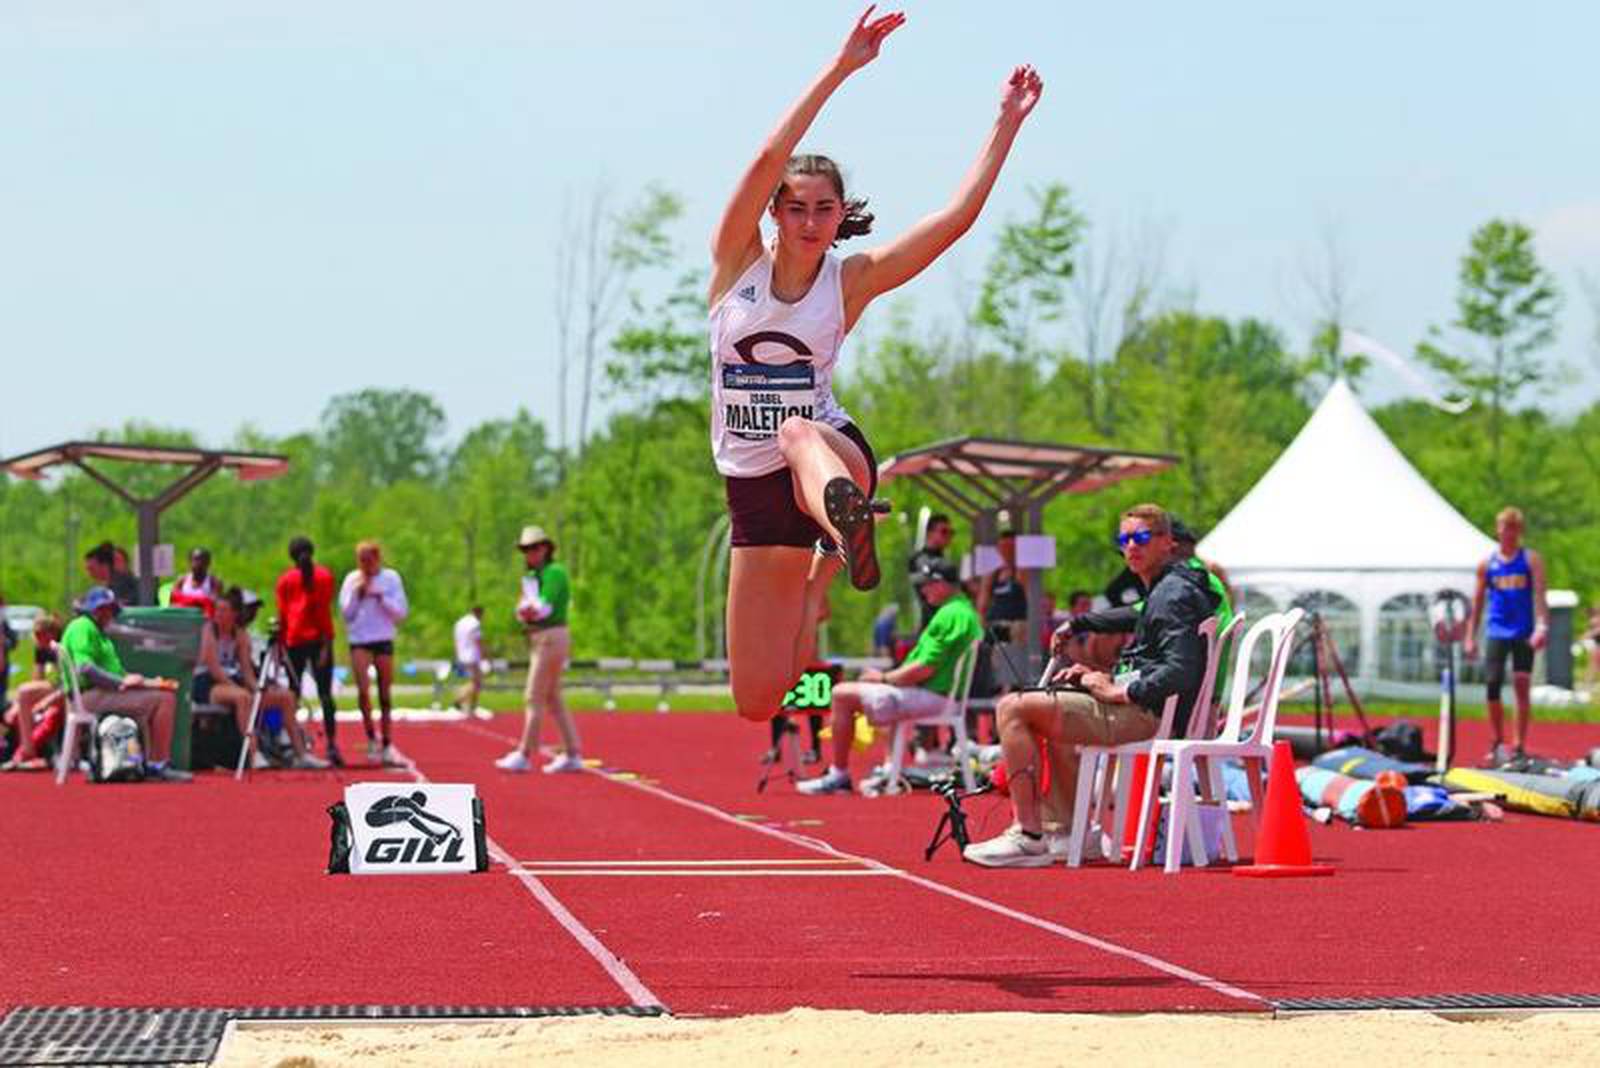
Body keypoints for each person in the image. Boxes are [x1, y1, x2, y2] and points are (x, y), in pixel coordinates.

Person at [710, 7, 1042, 723]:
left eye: (822, 210)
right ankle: (821, 616)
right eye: (795, 208)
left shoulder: (848, 281)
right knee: (756, 699)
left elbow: (951, 223)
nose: (808, 222)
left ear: (839, 216)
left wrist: (1005, 125)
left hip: (832, 454)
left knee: (797, 429)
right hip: (754, 485)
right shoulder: (735, 265)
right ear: (774, 213)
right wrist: (843, 66)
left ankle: (845, 524)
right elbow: (769, 154)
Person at [963, 504, 1213, 866]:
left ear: (1167, 543)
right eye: (1124, 539)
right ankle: (1067, 832)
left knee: (1012, 707)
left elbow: (1181, 669)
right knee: (1050, 704)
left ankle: (1029, 835)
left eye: (1141, 537)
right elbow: (1137, 618)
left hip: (1146, 715)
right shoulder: (1168, 588)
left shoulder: (1172, 595)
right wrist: (1085, 639)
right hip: (1146, 708)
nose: (1131, 547)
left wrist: (1119, 690)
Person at [798, 558, 983, 795]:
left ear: (943, 584)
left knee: (841, 694)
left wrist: (884, 679)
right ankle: (888, 768)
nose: (923, 590)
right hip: (939, 696)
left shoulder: (951, 615)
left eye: (927, 584)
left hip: (934, 697)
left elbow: (924, 669)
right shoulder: (961, 611)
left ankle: (839, 775)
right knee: (875, 691)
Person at [58, 587, 189, 781]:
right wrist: (123, 682)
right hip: (90, 696)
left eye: (110, 609)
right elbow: (85, 669)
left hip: (101, 693)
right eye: (103, 608)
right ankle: (158, 765)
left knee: (162, 693)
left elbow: (120, 677)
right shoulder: (82, 626)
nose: (108, 613)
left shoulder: (99, 633)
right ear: (92, 609)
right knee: (165, 700)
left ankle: (145, 763)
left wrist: (149, 683)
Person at [195, 587, 326, 769]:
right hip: (209, 684)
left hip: (236, 682)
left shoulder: (240, 635)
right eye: (217, 610)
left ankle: (300, 754)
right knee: (244, 698)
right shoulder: (209, 631)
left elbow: (247, 671)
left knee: (286, 697)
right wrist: (240, 688)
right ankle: (254, 753)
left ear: (234, 613)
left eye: (224, 611)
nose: (219, 615)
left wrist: (258, 688)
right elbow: (214, 669)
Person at [496, 526, 583, 774]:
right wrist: (525, 611)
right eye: (525, 549)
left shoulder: (554, 572)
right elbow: (521, 608)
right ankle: (572, 752)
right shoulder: (533, 576)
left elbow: (543, 607)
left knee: (533, 696)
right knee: (553, 698)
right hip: (542, 637)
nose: (529, 553)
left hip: (550, 636)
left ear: (545, 548)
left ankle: (524, 753)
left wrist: (529, 611)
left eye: (534, 548)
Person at [1465, 506, 1549, 764]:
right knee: (1492, 685)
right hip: (1496, 630)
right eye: (1503, 527)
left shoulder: (1530, 560)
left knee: (1522, 686)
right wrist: (1470, 636)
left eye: (1512, 528)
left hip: (1523, 631)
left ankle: (1519, 744)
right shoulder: (1487, 565)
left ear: (1519, 530)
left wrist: (1542, 625)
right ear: (1497, 530)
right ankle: (1497, 741)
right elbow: (1477, 603)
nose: (1507, 533)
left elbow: (1539, 594)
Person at [339, 540, 409, 766]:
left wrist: (381, 597)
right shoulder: (352, 580)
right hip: (360, 641)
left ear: (377, 559)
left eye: (369, 560)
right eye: (361, 560)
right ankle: (371, 737)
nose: (365, 565)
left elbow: (400, 612)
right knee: (363, 692)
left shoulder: (391, 579)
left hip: (383, 639)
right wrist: (358, 595)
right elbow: (346, 614)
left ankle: (387, 742)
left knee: (385, 694)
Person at [276, 536, 343, 765]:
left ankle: (290, 743)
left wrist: (281, 645)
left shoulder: (285, 580)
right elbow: (323, 612)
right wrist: (326, 645)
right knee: (325, 695)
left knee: (293, 694)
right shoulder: (324, 576)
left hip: (294, 640)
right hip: (318, 640)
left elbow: (283, 615)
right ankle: (332, 745)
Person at [1, 614, 65, 771]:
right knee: (18, 704)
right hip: (53, 689)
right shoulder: (41, 648)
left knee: (31, 700)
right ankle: (24, 752)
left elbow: (68, 683)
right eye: (34, 635)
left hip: (67, 693)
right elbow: (36, 680)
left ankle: (26, 753)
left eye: (39, 635)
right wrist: (17, 705)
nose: (36, 639)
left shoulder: (61, 647)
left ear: (51, 633)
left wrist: (46, 702)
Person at [977, 529, 1029, 690]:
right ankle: (996, 688)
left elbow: (1029, 594)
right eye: (1003, 547)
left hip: (1016, 624)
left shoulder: (1022, 571)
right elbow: (983, 602)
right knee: (991, 657)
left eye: (1011, 548)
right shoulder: (994, 574)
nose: (1007, 552)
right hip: (995, 624)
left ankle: (1010, 687)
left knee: (1015, 645)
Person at [909, 513, 955, 630]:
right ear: (930, 533)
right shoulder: (919, 559)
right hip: (932, 625)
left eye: (951, 532)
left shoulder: (946, 562)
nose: (948, 536)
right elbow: (934, 591)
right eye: (944, 531)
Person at [453, 605, 489, 719]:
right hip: (472, 655)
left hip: (461, 654)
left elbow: (456, 640)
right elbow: (478, 640)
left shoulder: (460, 622)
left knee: (474, 682)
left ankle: (470, 707)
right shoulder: (475, 624)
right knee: (476, 682)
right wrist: (485, 655)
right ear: (479, 613)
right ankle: (460, 699)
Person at [83, 542, 141, 608]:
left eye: (91, 569)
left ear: (104, 565)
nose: (89, 574)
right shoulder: (108, 588)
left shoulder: (125, 585)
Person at [170, 547, 223, 617]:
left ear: (208, 563)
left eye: (202, 560)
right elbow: (173, 602)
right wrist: (198, 602)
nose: (198, 563)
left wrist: (186, 601)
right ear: (189, 562)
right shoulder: (182, 580)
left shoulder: (214, 582)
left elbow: (213, 603)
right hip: (183, 618)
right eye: (195, 559)